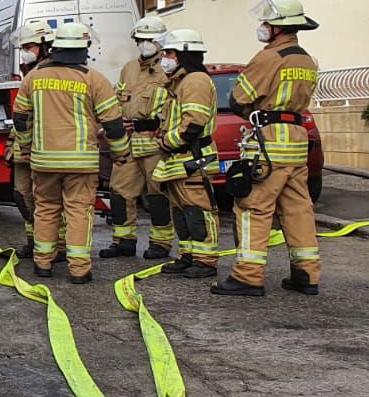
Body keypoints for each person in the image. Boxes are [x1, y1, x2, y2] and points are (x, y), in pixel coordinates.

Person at [213, 0, 321, 297]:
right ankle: (306, 275)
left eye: (266, 24)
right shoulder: (306, 60)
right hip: (297, 143)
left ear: (276, 28)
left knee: (253, 208)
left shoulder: (269, 58)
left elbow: (239, 98)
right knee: (298, 209)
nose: (262, 28)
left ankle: (248, 276)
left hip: (269, 143)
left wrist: (256, 114)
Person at [13, 22, 129, 283]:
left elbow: (20, 117)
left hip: (43, 161)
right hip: (81, 163)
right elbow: (113, 123)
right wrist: (120, 153)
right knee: (78, 213)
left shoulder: (34, 77)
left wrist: (26, 147)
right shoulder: (93, 78)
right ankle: (79, 269)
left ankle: (43, 264)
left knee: (45, 209)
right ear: (84, 48)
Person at [100, 17, 175, 260]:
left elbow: (175, 106)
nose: (144, 44)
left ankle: (161, 243)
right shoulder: (129, 68)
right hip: (130, 143)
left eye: (149, 40)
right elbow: (119, 100)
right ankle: (123, 241)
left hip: (155, 144)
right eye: (140, 40)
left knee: (157, 195)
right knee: (119, 192)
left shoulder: (170, 69)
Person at [151, 29, 219, 279]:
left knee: (198, 209)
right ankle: (188, 255)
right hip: (180, 158)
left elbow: (193, 124)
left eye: (169, 53)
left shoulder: (195, 81)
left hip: (193, 156)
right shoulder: (180, 81)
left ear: (183, 54)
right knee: (181, 210)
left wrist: (167, 142)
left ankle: (205, 260)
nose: (164, 58)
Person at [3, 20, 60, 259]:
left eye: (31, 47)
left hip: (40, 148)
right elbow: (20, 116)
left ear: (45, 47)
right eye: (24, 47)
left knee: (46, 198)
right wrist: (12, 147)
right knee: (23, 195)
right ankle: (35, 239)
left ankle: (57, 244)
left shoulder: (47, 74)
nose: (26, 52)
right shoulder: (30, 73)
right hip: (23, 147)